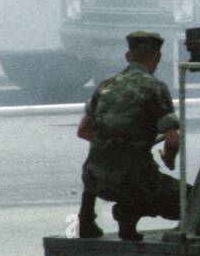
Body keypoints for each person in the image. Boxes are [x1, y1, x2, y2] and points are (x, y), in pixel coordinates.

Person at [77, 32, 188, 241]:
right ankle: (130, 212)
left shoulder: (105, 85)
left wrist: (114, 143)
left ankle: (86, 221)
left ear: (128, 56)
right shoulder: (155, 88)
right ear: (157, 58)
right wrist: (169, 159)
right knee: (196, 200)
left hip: (96, 180)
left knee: (100, 159)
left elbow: (83, 131)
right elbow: (173, 140)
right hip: (134, 181)